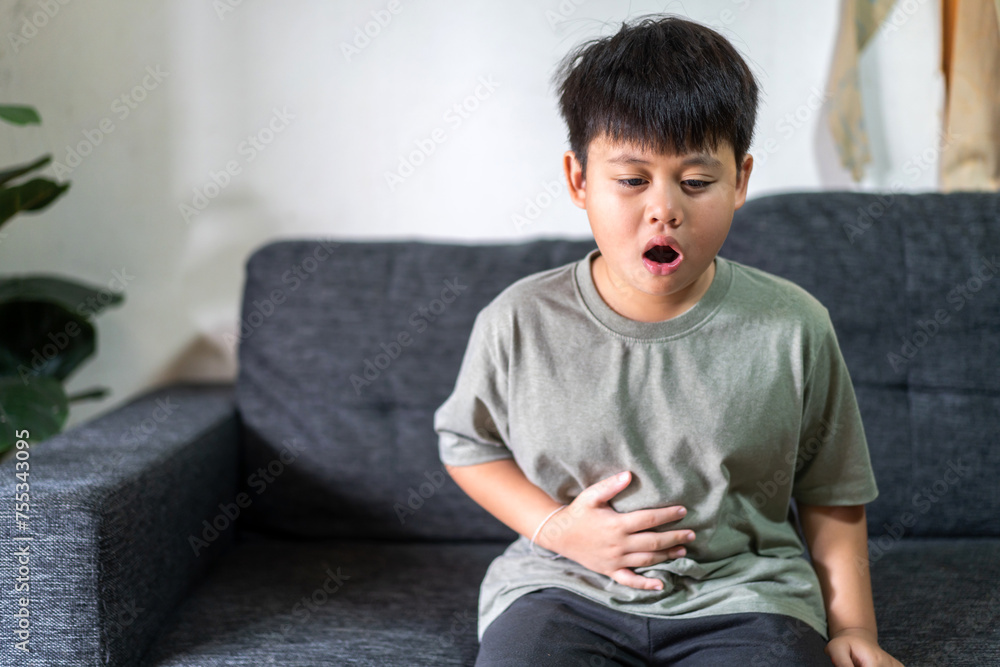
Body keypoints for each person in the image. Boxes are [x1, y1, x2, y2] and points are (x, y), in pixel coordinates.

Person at [434, 14, 903, 667]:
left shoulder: (794, 324)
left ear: (739, 180)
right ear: (578, 180)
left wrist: (855, 628)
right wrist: (557, 529)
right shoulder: (517, 320)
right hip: (564, 588)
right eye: (631, 180)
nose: (664, 209)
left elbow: (832, 492)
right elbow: (467, 444)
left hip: (744, 598)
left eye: (696, 181)